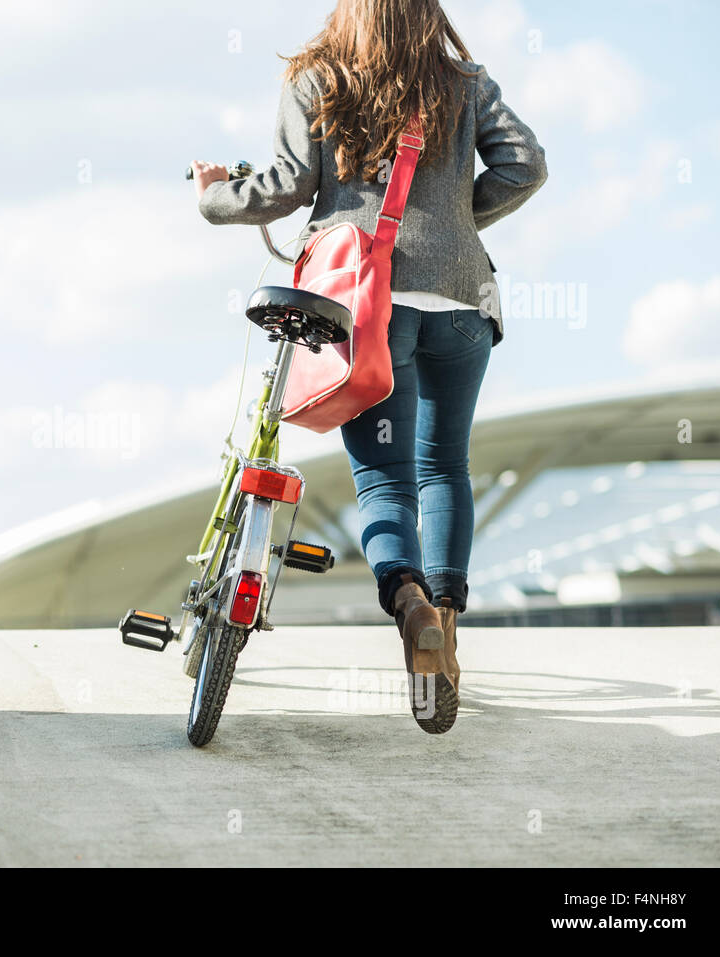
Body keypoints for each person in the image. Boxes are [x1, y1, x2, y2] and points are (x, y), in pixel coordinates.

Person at [189, 0, 547, 734]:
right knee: (447, 465)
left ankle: (410, 602)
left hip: (368, 310)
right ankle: (443, 633)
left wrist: (213, 198)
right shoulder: (464, 80)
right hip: (463, 301)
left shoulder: (317, 78)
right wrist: (452, 219)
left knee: (385, 478)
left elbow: (287, 185)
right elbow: (526, 165)